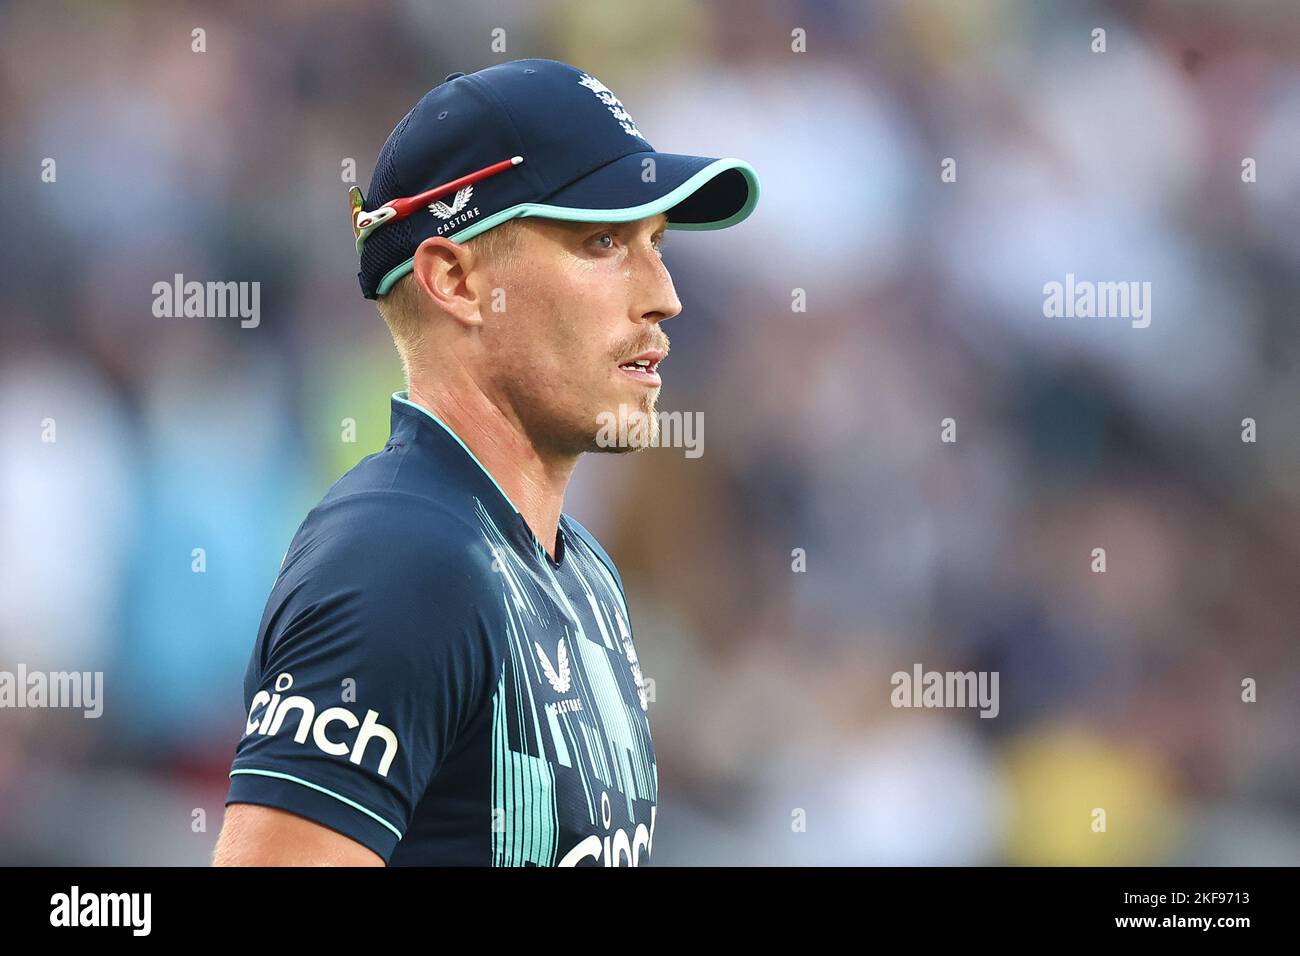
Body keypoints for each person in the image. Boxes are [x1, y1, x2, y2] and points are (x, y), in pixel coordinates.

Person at [212, 58, 759, 866]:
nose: (664, 294)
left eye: (657, 242)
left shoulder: (583, 575)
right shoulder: (399, 563)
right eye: (603, 240)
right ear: (457, 281)